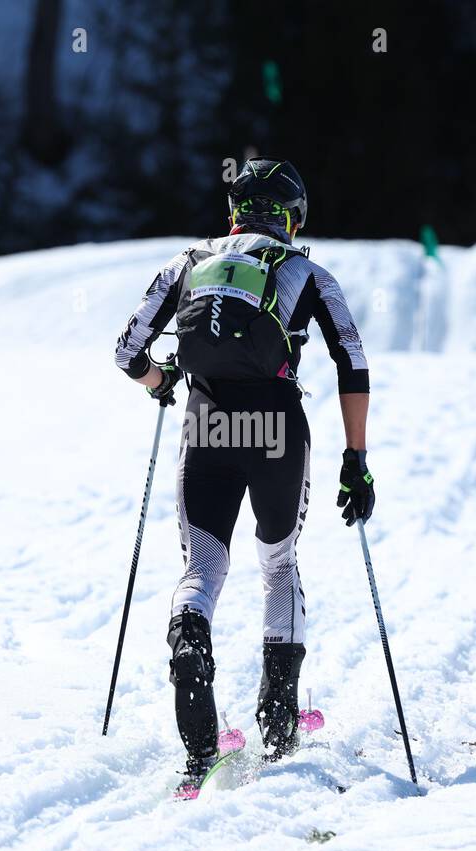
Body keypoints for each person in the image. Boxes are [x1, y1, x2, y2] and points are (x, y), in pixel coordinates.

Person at [113, 157, 374, 790]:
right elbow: (354, 361)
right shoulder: (305, 271)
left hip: (205, 425)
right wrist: (355, 460)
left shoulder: (188, 263)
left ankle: (199, 732)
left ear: (235, 213)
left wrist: (161, 382)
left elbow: (127, 349)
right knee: (278, 563)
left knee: (202, 571)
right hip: (278, 428)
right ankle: (278, 726)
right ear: (292, 218)